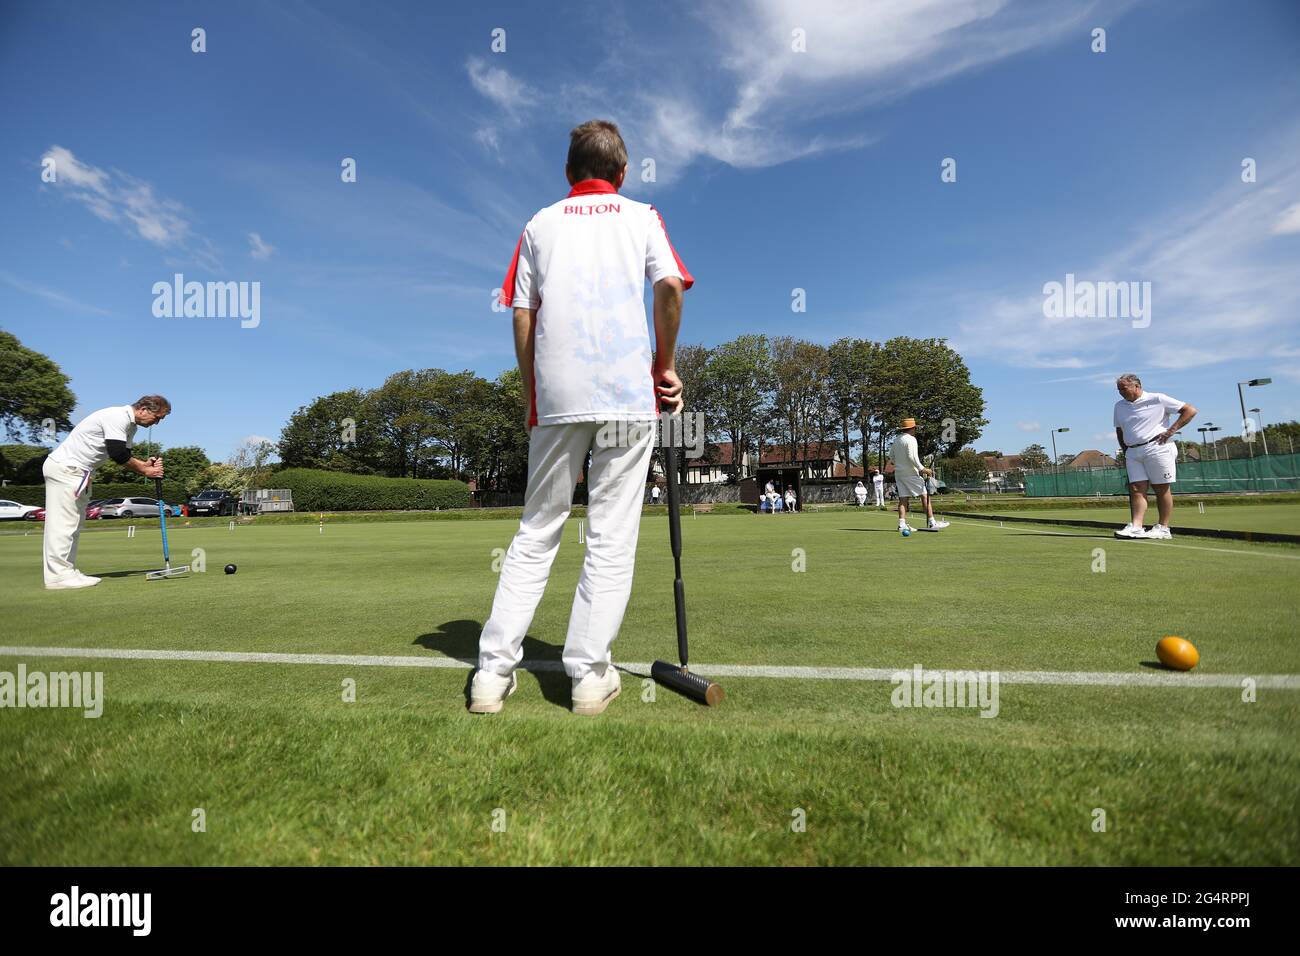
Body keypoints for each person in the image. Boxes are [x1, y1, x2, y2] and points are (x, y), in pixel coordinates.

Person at [471, 119, 692, 716]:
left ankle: (491, 676)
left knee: (537, 529)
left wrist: (529, 392)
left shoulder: (538, 223)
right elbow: (670, 286)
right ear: (621, 173)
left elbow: (522, 314)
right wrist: (664, 366)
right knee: (611, 536)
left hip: (558, 398)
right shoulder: (642, 214)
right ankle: (589, 678)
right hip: (626, 395)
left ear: (569, 173)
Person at [42, 395, 170, 588]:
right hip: (67, 469)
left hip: (80, 473)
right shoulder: (116, 417)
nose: (157, 423)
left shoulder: (130, 426)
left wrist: (145, 465)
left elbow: (125, 455)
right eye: (157, 417)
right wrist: (145, 470)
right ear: (143, 409)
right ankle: (57, 577)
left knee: (73, 525)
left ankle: (66, 571)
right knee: (63, 525)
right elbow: (117, 453)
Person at [1112, 373, 1196, 539]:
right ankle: (1136, 526)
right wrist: (1125, 450)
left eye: (1124, 388)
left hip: (1157, 447)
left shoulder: (1157, 398)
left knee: (1161, 488)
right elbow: (1120, 429)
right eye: (1119, 389)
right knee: (1136, 489)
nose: (1121, 392)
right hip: (1133, 452)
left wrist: (1171, 431)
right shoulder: (1119, 406)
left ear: (1137, 386)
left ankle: (1163, 528)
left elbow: (1190, 411)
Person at [889, 418, 948, 534]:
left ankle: (902, 525)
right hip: (911, 473)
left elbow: (891, 458)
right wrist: (923, 469)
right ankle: (932, 523)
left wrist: (901, 464)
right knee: (924, 496)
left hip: (899, 474)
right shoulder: (911, 439)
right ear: (913, 428)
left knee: (903, 499)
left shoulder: (896, 440)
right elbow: (912, 457)